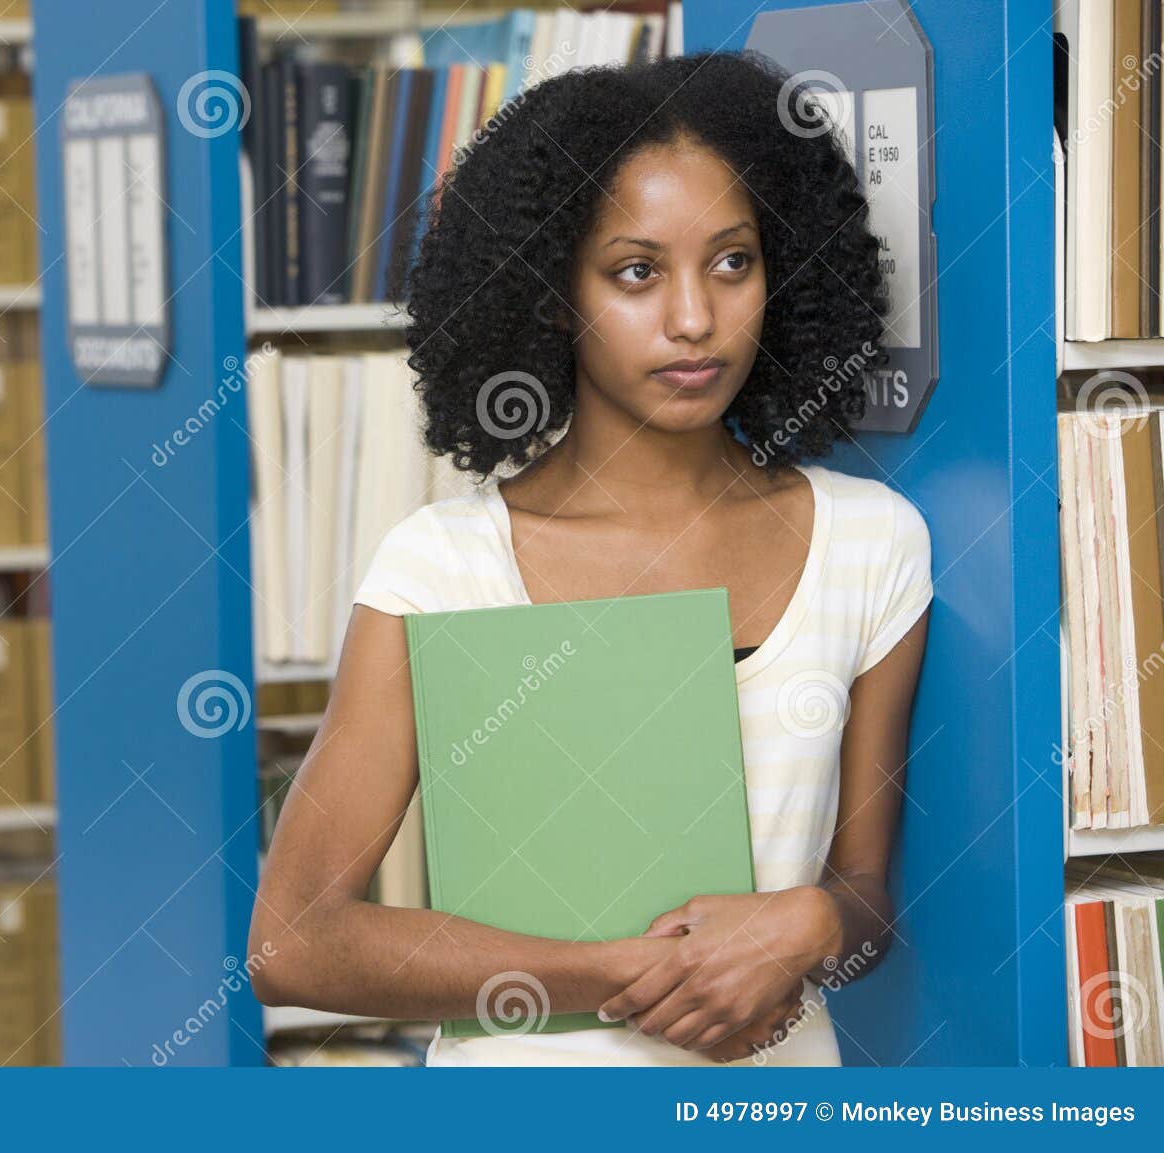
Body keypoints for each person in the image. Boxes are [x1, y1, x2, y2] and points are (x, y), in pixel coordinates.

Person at [249, 52, 932, 1067]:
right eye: (636, 272)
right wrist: (625, 971)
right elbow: (292, 940)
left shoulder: (870, 543)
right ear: (552, 292)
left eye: (732, 262)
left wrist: (815, 922)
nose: (694, 318)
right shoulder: (441, 566)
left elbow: (864, 905)